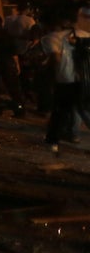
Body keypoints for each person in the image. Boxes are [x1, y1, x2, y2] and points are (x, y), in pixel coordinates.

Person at [42, 11, 90, 154]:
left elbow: (55, 59)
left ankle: (53, 142)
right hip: (87, 80)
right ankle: (73, 134)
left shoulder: (51, 38)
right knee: (85, 110)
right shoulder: (86, 35)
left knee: (61, 111)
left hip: (66, 79)